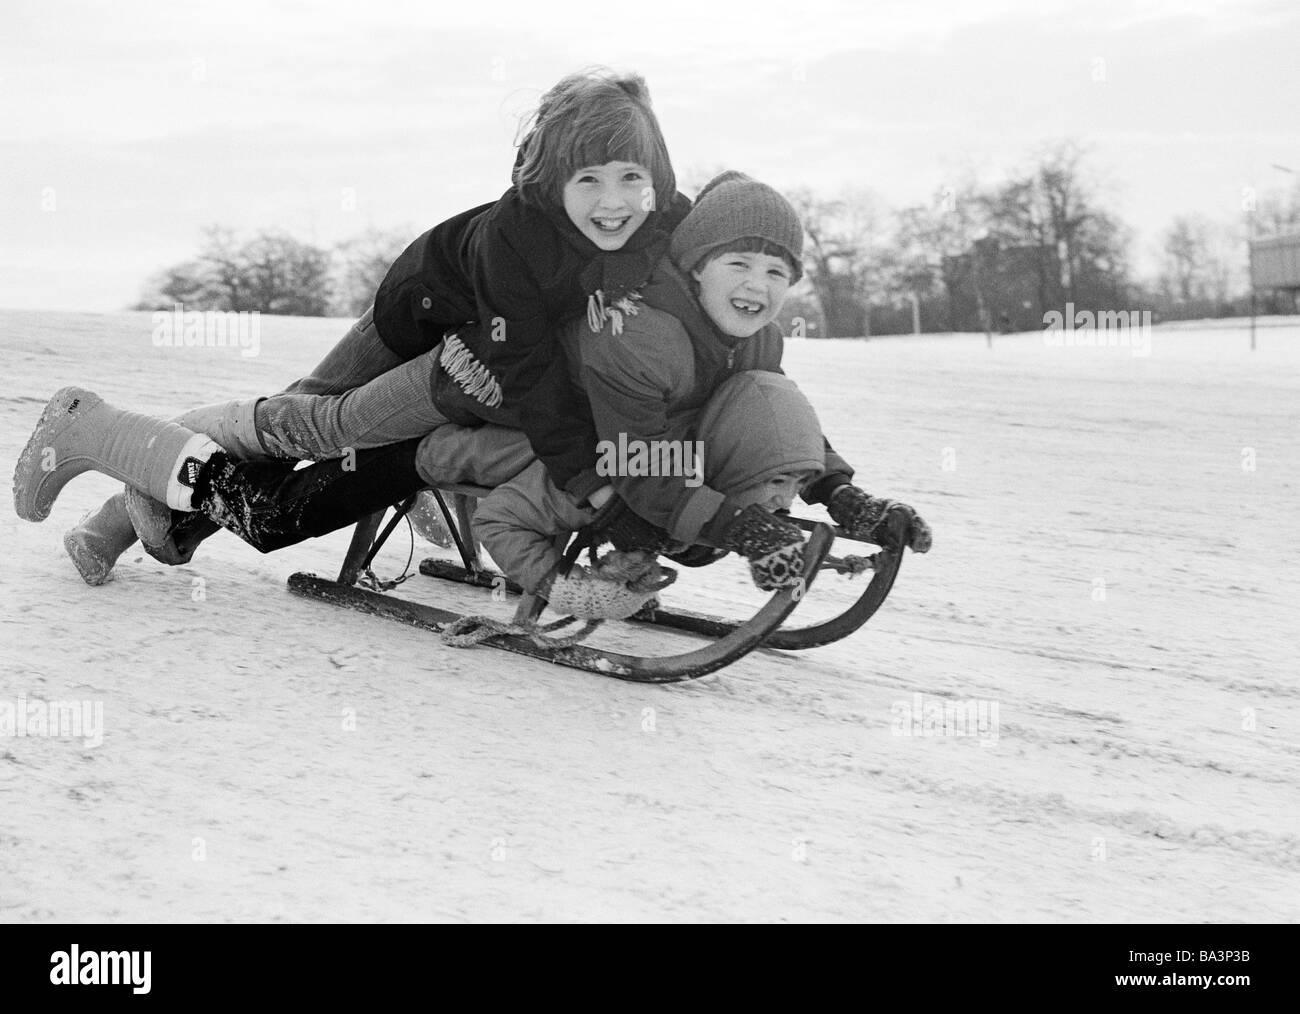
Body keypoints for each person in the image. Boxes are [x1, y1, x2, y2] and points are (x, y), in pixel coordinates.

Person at [14, 173, 930, 617]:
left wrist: (836, 494)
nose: (760, 284)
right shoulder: (642, 333)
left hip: (503, 421)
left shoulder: (750, 334)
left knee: (300, 445)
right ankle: (115, 431)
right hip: (463, 388)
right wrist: (730, 526)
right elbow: (628, 462)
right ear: (695, 264)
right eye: (740, 262)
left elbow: (771, 420)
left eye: (779, 271)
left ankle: (129, 498)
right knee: (308, 426)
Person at [64, 67, 689, 584]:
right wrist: (593, 481)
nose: (614, 202)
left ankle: (134, 511)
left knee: (338, 437)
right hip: (414, 312)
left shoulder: (662, 226)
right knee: (310, 420)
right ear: (552, 182)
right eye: (589, 180)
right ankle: (146, 448)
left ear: (656, 178)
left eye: (631, 178)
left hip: (472, 353)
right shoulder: (515, 237)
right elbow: (525, 363)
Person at [475, 370, 828, 618]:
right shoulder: (613, 476)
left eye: (798, 484)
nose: (787, 500)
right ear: (733, 462)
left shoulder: (694, 468)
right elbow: (496, 519)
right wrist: (564, 587)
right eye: (778, 482)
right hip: (467, 448)